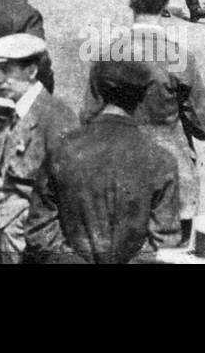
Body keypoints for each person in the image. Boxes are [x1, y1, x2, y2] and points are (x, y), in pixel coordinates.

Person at [83, 0, 205, 242]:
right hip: (174, 185)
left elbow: (87, 118)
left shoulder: (107, 54)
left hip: (114, 178)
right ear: (166, 5)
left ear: (131, 1)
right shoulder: (180, 58)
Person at [26, 59, 182, 263]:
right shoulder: (162, 161)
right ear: (143, 97)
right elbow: (164, 245)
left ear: (97, 92)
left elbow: (39, 232)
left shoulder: (62, 151)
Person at [0, 33, 77, 263]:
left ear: (31, 71)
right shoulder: (14, 112)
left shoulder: (56, 118)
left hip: (30, 244)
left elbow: (67, 193)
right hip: (0, 237)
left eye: (6, 71)